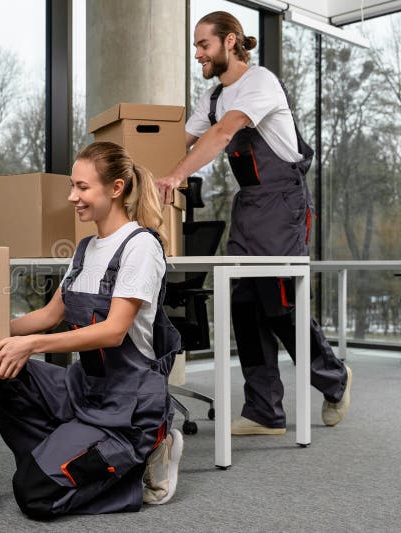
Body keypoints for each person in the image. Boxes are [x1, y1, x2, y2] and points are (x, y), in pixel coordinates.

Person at [156, 11, 351, 435]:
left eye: (203, 45)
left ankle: (334, 378)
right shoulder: (211, 99)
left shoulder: (258, 83)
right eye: (195, 46)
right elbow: (178, 141)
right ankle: (265, 410)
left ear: (229, 42)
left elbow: (224, 134)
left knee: (279, 303)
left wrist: (176, 175)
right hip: (249, 205)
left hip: (283, 202)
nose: (197, 54)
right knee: (241, 303)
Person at [0, 141, 183, 518]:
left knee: (34, 495)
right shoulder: (85, 247)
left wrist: (32, 345)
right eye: (72, 187)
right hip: (83, 389)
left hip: (127, 406)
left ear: (116, 188)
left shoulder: (140, 247)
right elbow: (47, 315)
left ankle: (146, 457)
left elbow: (114, 332)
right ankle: (63, 455)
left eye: (83, 187)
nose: (73, 197)